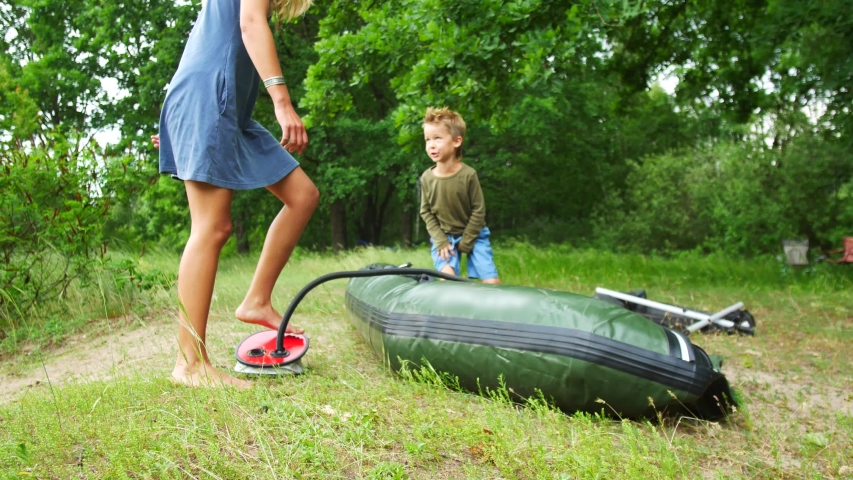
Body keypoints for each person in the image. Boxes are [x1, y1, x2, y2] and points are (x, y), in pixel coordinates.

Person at [151, 0, 319, 388]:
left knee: (303, 196)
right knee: (212, 228)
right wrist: (282, 102)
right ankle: (189, 365)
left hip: (224, 109)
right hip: (209, 100)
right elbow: (248, 23)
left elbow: (205, 41)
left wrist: (182, 116)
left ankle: (256, 301)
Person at [419, 107, 500, 285]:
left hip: (474, 234)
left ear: (456, 141)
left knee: (492, 282)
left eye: (437, 138)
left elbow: (479, 210)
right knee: (447, 280)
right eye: (427, 140)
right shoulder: (427, 178)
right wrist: (440, 240)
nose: (431, 145)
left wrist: (467, 240)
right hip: (444, 236)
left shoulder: (468, 175)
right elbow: (426, 212)